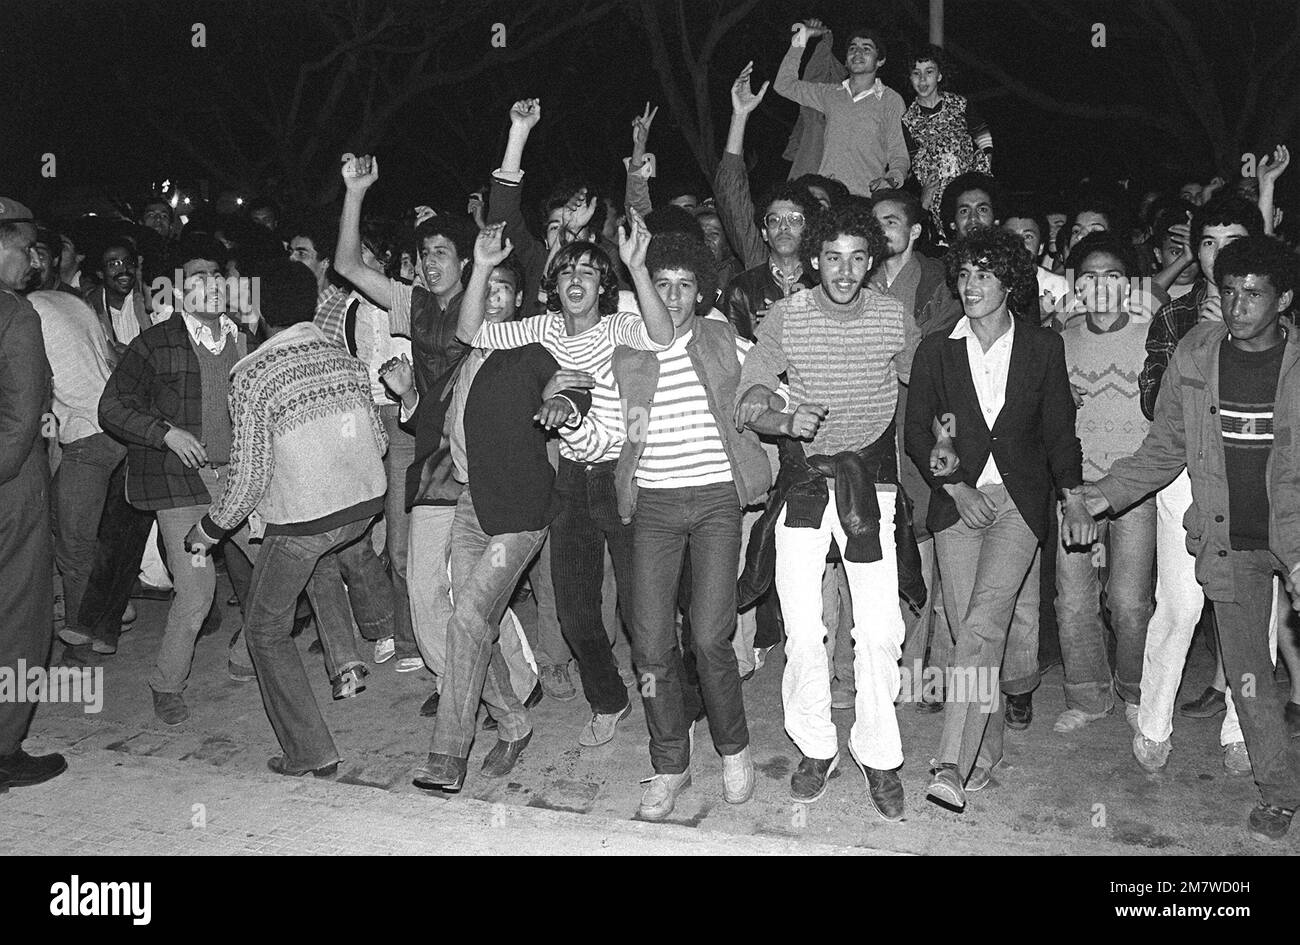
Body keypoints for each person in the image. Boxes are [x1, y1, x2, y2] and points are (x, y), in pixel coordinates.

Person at [1081, 236, 1300, 843]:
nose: (1237, 306)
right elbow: (1165, 449)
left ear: (1283, 299)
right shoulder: (1197, 352)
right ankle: (1279, 790)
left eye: (1253, 293)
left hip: (1296, 532)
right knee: (1251, 670)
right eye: (1228, 292)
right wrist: (1103, 493)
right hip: (1231, 541)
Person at [457, 206, 672, 749]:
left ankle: (673, 704)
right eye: (568, 272)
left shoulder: (621, 323)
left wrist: (638, 269)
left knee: (641, 610)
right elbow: (469, 331)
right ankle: (609, 699)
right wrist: (481, 266)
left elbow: (665, 336)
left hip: (626, 476)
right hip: (573, 478)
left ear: (604, 285)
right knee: (575, 613)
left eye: (589, 272)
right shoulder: (542, 329)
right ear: (555, 285)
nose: (577, 279)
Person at [391, 224, 593, 792]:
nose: (494, 295)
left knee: (468, 616)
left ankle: (448, 755)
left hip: (521, 513)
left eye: (505, 287)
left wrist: (563, 405)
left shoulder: (531, 349)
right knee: (470, 626)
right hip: (468, 504)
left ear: (520, 299)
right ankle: (512, 722)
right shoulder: (465, 355)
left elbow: (570, 383)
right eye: (488, 286)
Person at [737, 202, 918, 819]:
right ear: (813, 261)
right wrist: (784, 418)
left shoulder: (895, 318)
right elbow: (750, 397)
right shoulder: (787, 316)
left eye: (858, 259)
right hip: (806, 481)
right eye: (833, 259)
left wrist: (946, 436)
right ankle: (816, 746)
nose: (844, 272)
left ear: (873, 263)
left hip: (873, 483)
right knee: (801, 618)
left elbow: (927, 388)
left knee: (878, 626)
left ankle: (879, 755)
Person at [906, 227, 1092, 813]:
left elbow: (1059, 431)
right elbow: (918, 435)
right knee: (967, 631)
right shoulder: (937, 350)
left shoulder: (1042, 347)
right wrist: (955, 488)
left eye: (985, 273)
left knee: (984, 624)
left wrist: (1075, 496)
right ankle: (986, 754)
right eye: (964, 274)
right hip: (959, 503)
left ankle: (950, 765)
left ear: (1010, 281)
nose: (972, 285)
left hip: (1018, 503)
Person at [186, 258, 389, 778]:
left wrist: (209, 529)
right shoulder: (343, 359)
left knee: (264, 629)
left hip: (308, 523)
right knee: (319, 559)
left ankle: (309, 750)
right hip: (363, 509)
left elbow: (250, 473)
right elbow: (380, 440)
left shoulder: (252, 372)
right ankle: (358, 650)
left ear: (257, 310)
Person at [608, 232, 776, 819]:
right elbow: (609, 425)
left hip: (713, 504)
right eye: (661, 283)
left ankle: (734, 747)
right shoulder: (629, 348)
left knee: (709, 636)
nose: (674, 296)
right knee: (650, 645)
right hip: (652, 507)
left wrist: (777, 404)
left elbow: (769, 381)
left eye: (685, 285)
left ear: (701, 292)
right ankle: (669, 761)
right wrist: (567, 404)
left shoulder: (720, 336)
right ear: (645, 289)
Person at [98, 235, 259, 723]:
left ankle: (243, 655)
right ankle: (166, 684)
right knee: (196, 592)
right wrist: (164, 432)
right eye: (196, 279)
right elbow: (111, 408)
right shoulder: (155, 342)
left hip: (240, 480)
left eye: (216, 276)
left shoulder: (245, 339)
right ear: (179, 290)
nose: (209, 286)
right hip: (181, 484)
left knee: (280, 573)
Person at [1131, 194, 1266, 774]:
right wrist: (1205, 348)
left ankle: (1243, 729)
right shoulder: (1176, 316)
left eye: (1234, 243)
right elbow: (1150, 402)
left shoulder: (1277, 318)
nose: (1221, 256)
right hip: (1184, 473)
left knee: (1249, 606)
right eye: (1209, 243)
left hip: (1254, 479)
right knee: (1181, 602)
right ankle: (1153, 724)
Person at [1052, 233, 1155, 734]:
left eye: (1113, 275)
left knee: (1130, 602)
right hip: (1075, 491)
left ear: (1130, 282)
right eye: (1088, 276)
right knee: (1074, 600)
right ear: (1075, 283)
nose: (1101, 286)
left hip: (1134, 489)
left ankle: (1135, 689)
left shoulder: (1151, 333)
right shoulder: (1061, 338)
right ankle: (1089, 695)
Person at [0, 197, 67, 792]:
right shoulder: (14, 314)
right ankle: (4, 747)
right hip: (10, 488)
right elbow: (22, 423)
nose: (33, 260)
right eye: (25, 247)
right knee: (21, 617)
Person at [773, 20, 909, 197]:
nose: (858, 52)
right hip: (827, 196)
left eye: (866, 48)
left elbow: (899, 155)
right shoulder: (830, 94)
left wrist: (891, 180)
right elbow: (784, 85)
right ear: (845, 60)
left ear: (880, 61)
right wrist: (801, 37)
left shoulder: (890, 100)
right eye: (852, 48)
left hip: (865, 197)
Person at [902, 45, 994, 223]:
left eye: (929, 72)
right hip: (937, 199)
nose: (922, 79)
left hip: (969, 190)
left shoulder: (959, 104)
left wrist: (982, 177)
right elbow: (914, 162)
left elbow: (983, 138)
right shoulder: (907, 119)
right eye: (916, 73)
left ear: (939, 75)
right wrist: (925, 195)